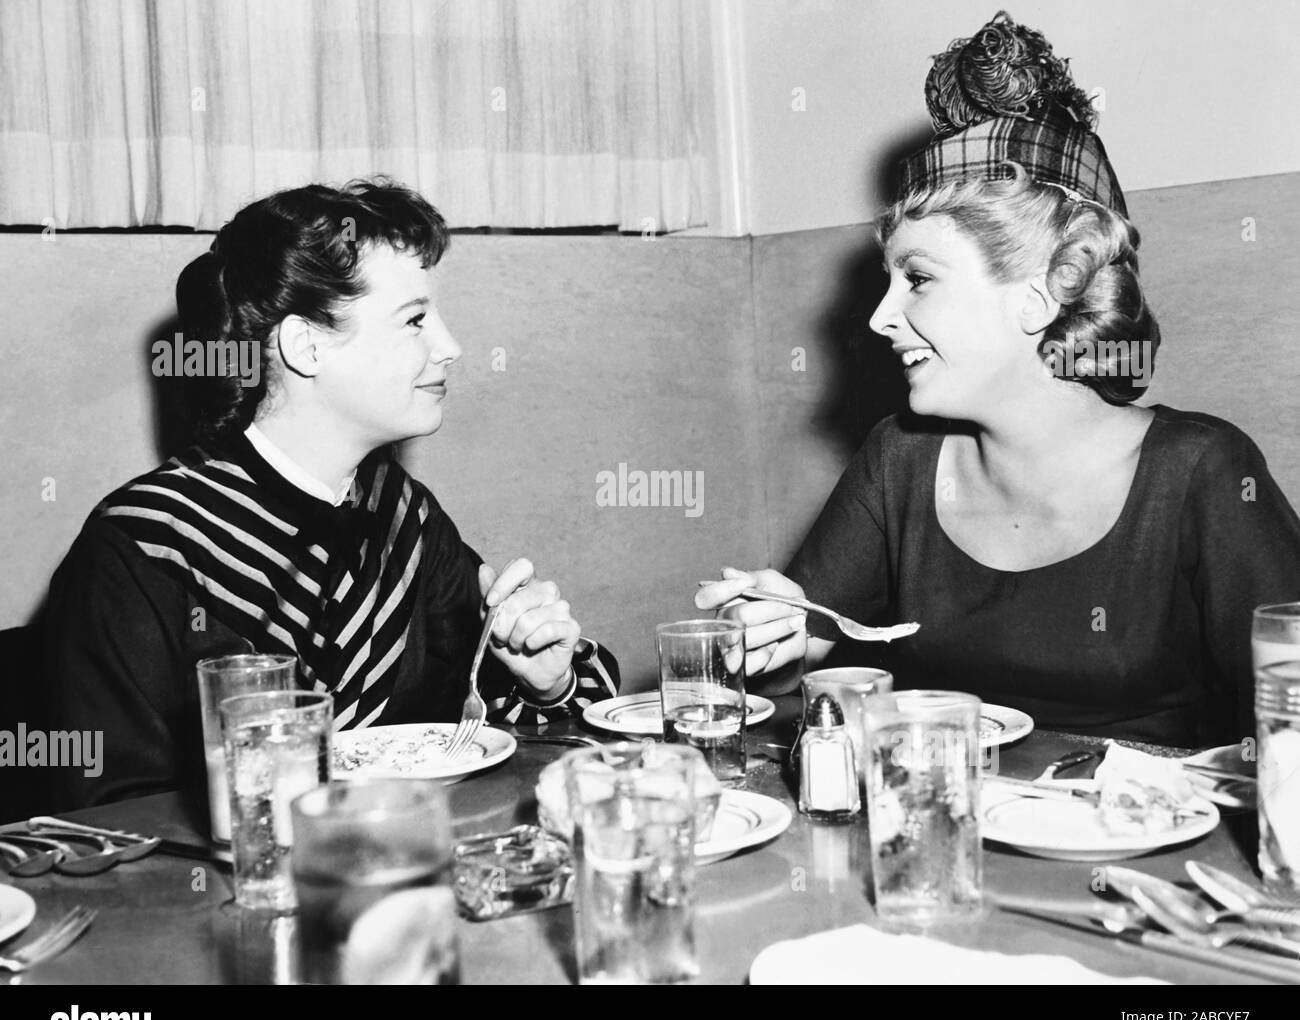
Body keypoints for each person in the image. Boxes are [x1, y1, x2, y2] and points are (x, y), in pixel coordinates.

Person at [697, 11, 1300, 748]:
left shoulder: (1202, 470)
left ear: (1039, 295)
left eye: (917, 278)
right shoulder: (901, 461)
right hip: (944, 837)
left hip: (1149, 845)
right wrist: (764, 637)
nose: (879, 319)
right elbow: (795, 668)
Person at [41, 178, 618, 808]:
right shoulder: (144, 547)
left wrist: (545, 682)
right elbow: (110, 829)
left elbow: (486, 730)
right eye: (416, 320)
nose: (449, 348)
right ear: (305, 345)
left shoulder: (404, 517)